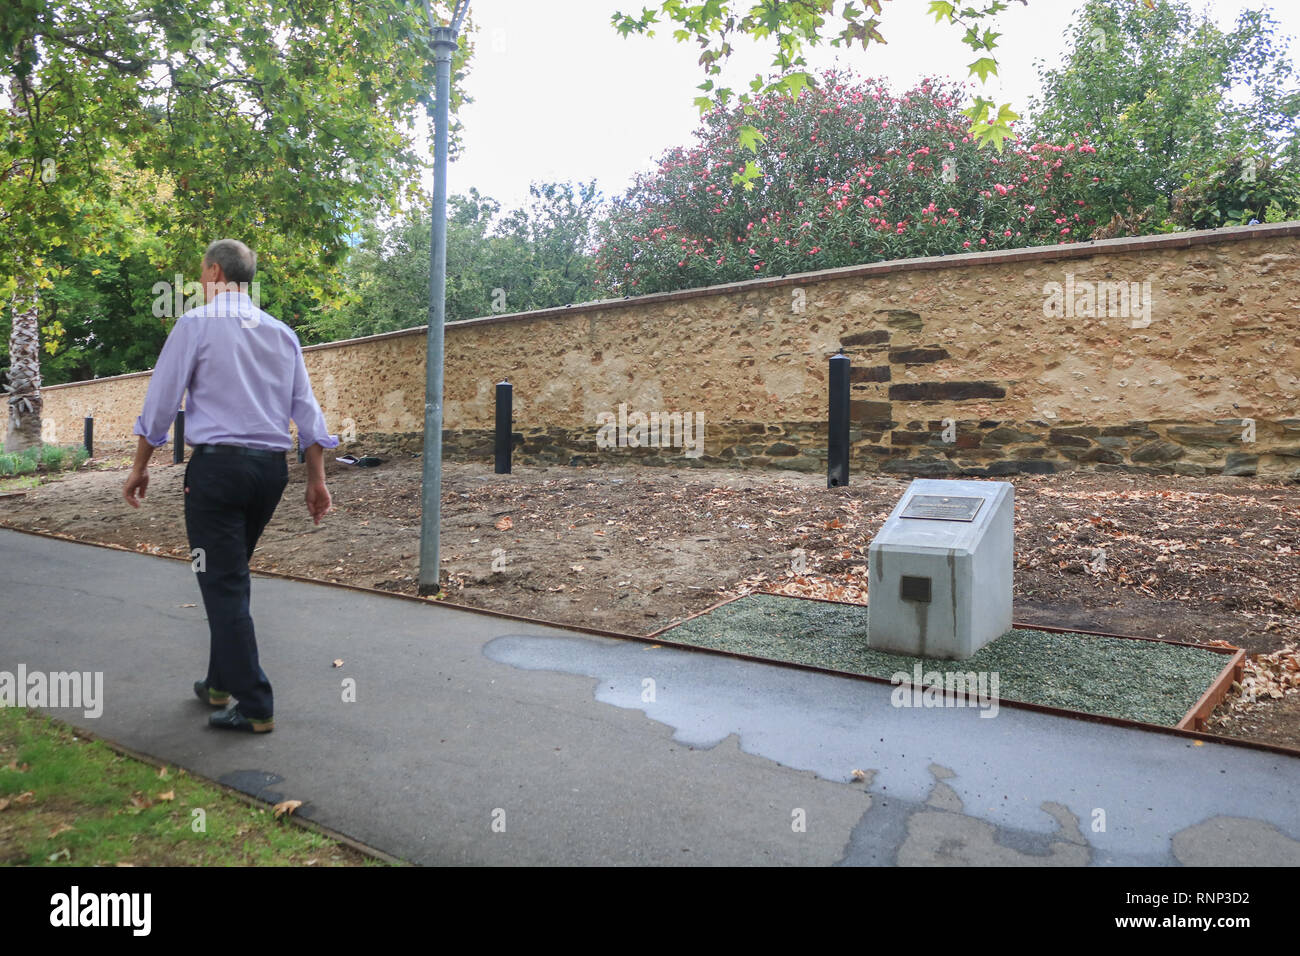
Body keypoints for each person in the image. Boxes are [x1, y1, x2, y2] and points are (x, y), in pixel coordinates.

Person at [122, 239, 337, 734]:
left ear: (215, 272)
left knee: (223, 583)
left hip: (217, 473)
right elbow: (307, 411)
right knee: (231, 575)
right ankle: (219, 683)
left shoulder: (194, 325)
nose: (201, 282)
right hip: (269, 473)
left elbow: (160, 404)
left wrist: (140, 466)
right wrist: (317, 479)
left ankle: (256, 702)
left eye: (203, 274)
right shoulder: (281, 334)